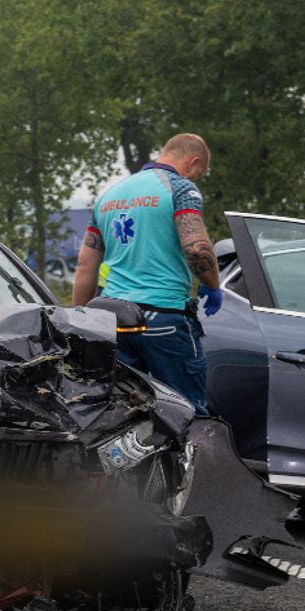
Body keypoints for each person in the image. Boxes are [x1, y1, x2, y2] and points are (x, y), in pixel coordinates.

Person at [71, 132, 221, 414]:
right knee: (186, 411)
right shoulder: (180, 188)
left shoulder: (109, 196)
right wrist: (213, 285)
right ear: (193, 162)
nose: (196, 179)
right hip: (163, 318)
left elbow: (85, 266)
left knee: (122, 411)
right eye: (199, 174)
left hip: (113, 320)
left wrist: (79, 321)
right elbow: (196, 249)